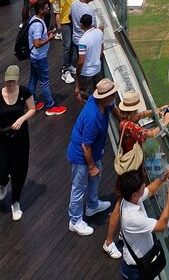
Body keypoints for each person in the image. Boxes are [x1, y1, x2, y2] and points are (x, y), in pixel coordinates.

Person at [102, 92, 169, 260]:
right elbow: (149, 134)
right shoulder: (131, 126)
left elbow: (140, 115)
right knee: (119, 207)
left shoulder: (126, 121)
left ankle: (122, 233)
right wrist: (166, 120)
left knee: (125, 204)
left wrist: (156, 110)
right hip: (129, 173)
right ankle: (108, 242)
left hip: (132, 169)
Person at [0, 64, 36, 220]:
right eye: (8, 81)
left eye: (13, 81)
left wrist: (22, 118)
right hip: (2, 138)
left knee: (19, 171)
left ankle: (16, 202)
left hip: (20, 139)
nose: (10, 84)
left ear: (17, 80)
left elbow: (32, 109)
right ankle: (2, 182)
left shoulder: (24, 92)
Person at [66, 77, 118, 235]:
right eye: (113, 94)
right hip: (82, 156)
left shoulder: (104, 105)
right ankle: (74, 221)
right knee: (79, 187)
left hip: (94, 152)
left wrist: (124, 121)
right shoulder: (93, 116)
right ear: (104, 97)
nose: (115, 96)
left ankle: (92, 205)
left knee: (96, 176)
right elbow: (85, 146)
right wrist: (91, 167)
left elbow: (115, 111)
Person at [116, 168, 169, 280]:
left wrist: (162, 179)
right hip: (136, 271)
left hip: (140, 264)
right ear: (135, 194)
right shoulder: (133, 217)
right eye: (141, 185)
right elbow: (162, 225)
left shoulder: (129, 199)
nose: (144, 185)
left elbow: (150, 190)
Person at [27, 3, 67, 117]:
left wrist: (46, 34)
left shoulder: (34, 20)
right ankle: (50, 106)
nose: (48, 9)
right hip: (39, 57)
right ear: (40, 10)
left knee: (33, 80)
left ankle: (32, 102)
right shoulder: (38, 25)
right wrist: (49, 38)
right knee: (44, 82)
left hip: (33, 56)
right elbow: (37, 43)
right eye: (46, 8)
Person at [49, 0, 83, 75]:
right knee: (67, 45)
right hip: (66, 21)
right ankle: (65, 69)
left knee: (73, 44)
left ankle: (70, 65)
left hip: (77, 21)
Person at [74, 13, 103, 102]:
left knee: (87, 100)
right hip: (97, 70)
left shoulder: (82, 40)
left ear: (81, 25)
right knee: (99, 97)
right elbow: (101, 51)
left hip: (86, 74)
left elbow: (81, 61)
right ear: (91, 23)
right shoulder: (99, 32)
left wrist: (77, 72)